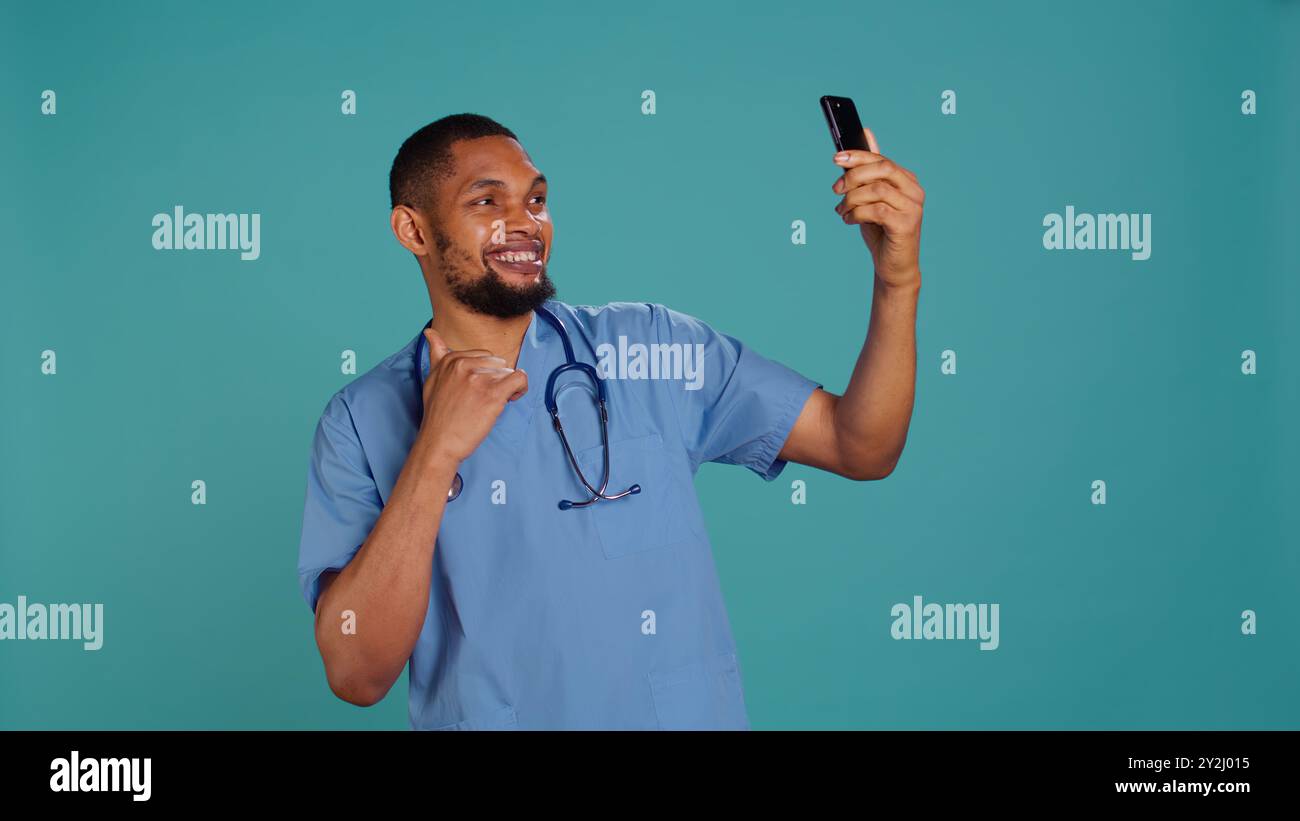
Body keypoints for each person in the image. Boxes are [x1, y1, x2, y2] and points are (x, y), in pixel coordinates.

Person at [296, 113, 924, 730]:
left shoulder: (651, 348)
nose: (525, 222)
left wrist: (896, 280)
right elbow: (356, 673)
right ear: (413, 230)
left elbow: (861, 447)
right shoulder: (360, 421)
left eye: (536, 199)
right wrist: (433, 452)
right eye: (486, 201)